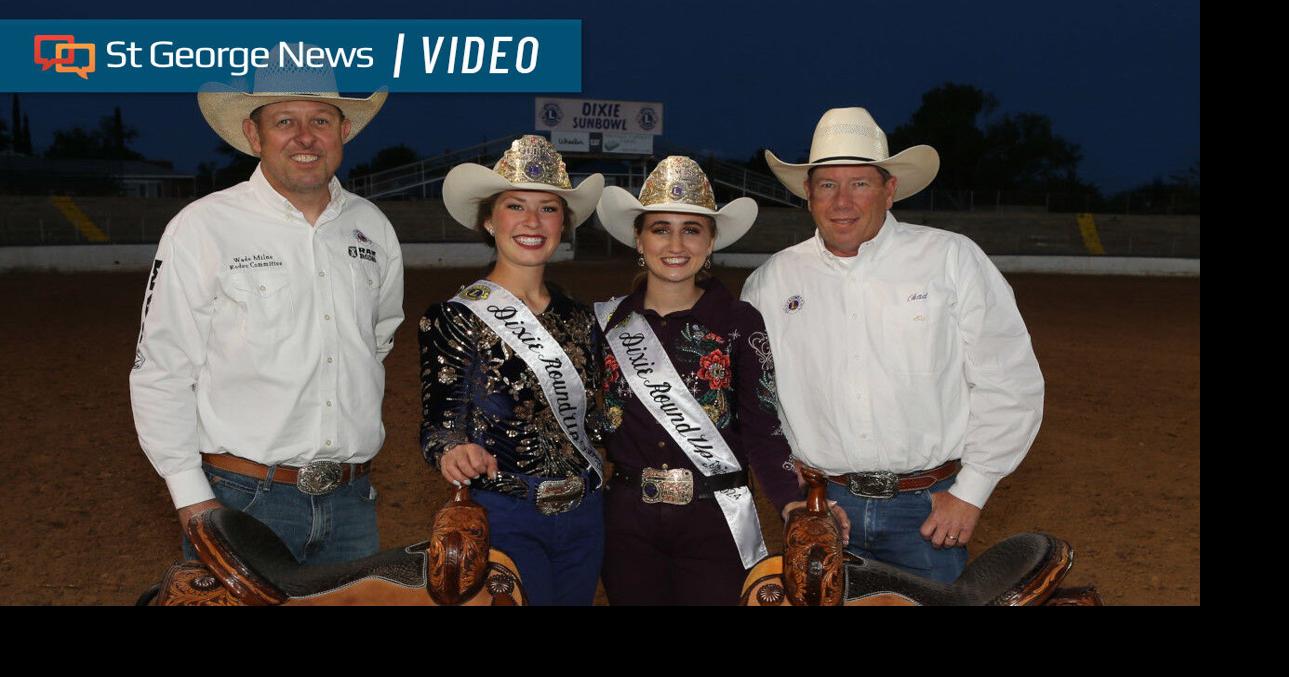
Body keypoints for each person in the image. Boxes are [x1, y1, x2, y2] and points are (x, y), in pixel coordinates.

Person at [741, 107, 1045, 584]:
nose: (842, 201)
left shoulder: (951, 258)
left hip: (927, 514)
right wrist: (793, 498)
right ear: (807, 192)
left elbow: (1008, 376)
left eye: (860, 183)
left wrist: (972, 490)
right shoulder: (769, 282)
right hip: (824, 511)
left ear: (890, 189)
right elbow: (757, 404)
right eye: (827, 184)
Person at [129, 60, 403, 565]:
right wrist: (190, 493)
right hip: (240, 498)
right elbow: (162, 368)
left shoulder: (373, 227)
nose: (305, 137)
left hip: (350, 502)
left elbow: (377, 338)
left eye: (320, 120)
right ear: (253, 134)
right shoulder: (203, 226)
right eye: (284, 121)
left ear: (343, 131)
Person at [593, 156, 840, 605]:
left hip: (717, 521)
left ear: (710, 243)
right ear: (639, 238)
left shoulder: (740, 322)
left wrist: (789, 502)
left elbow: (762, 426)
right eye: (660, 228)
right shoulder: (608, 324)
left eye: (692, 229)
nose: (676, 243)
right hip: (627, 523)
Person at [419, 135, 606, 605]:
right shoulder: (456, 316)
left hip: (586, 516)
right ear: (489, 220)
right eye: (515, 205)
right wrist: (451, 451)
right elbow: (439, 427)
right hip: (505, 514)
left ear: (564, 223)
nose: (531, 221)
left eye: (548, 209)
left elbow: (598, 420)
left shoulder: (582, 318)